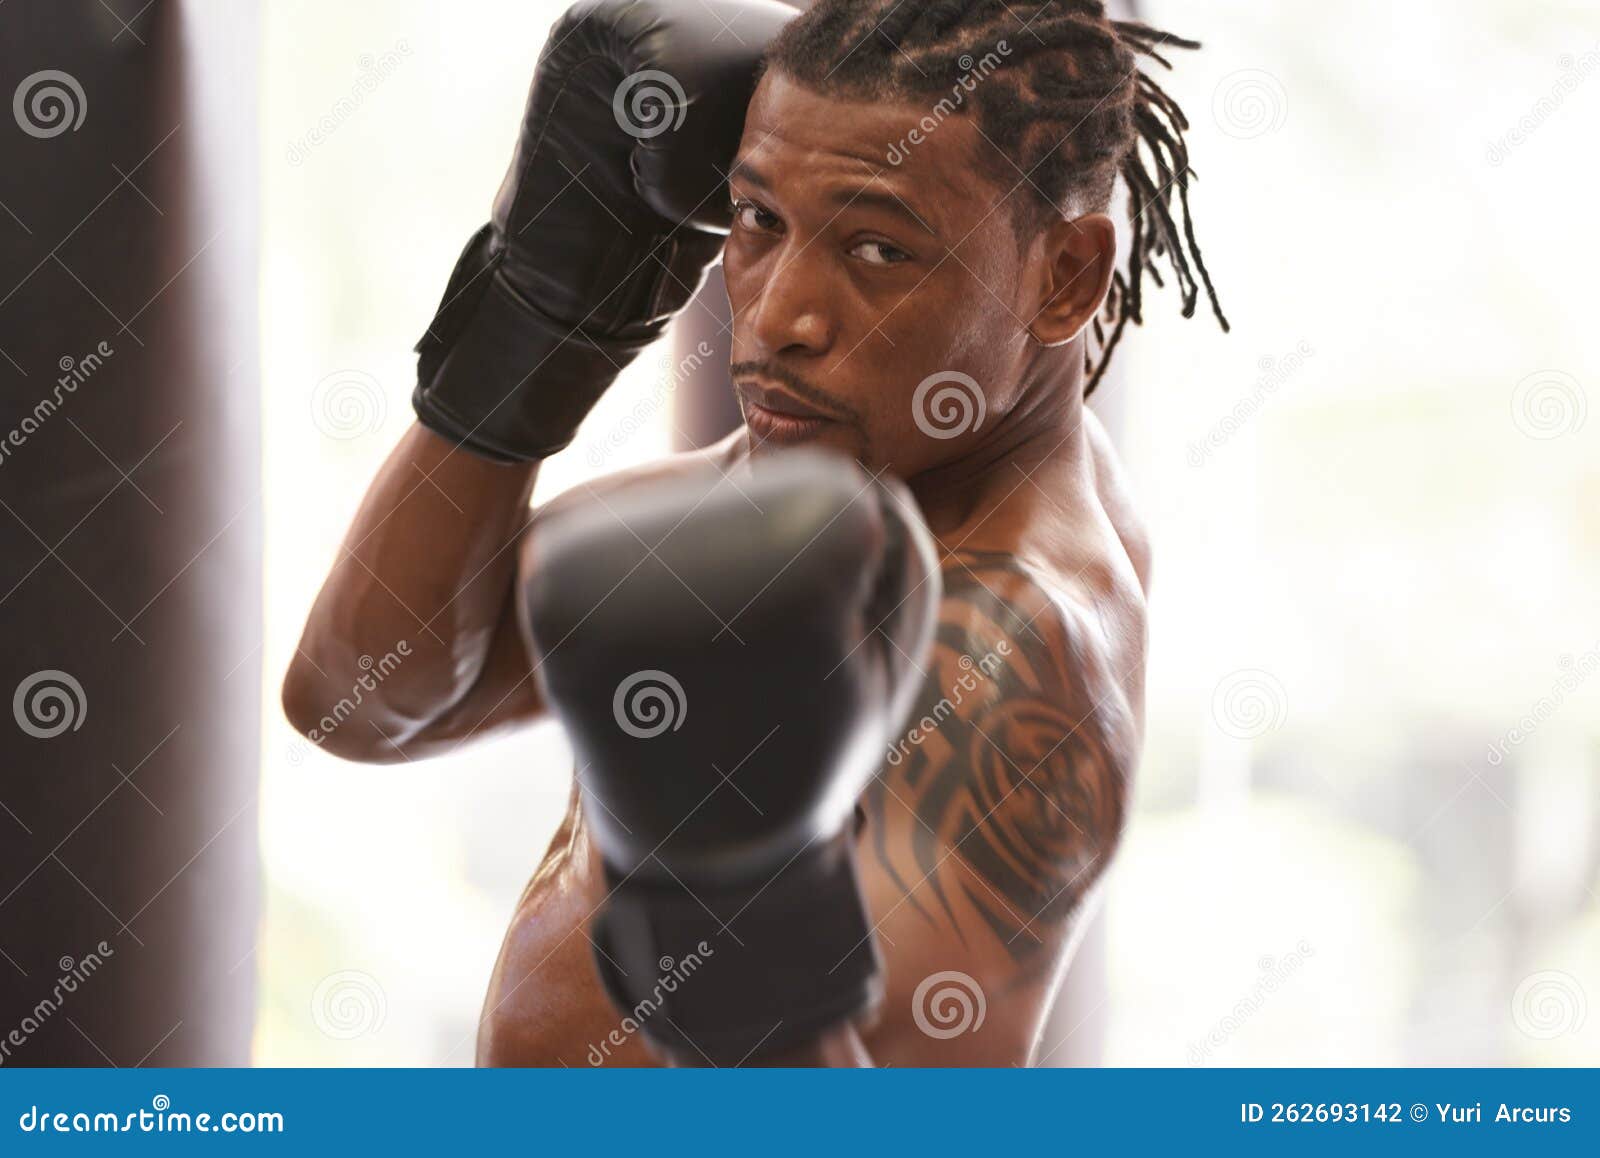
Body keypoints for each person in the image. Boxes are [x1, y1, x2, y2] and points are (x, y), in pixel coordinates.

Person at [283, 0, 1227, 1067]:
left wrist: (710, 891)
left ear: (1063, 277)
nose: (777, 318)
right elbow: (367, 704)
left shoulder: (1004, 644)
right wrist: (530, 335)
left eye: (877, 247)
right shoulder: (843, 477)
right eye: (757, 221)